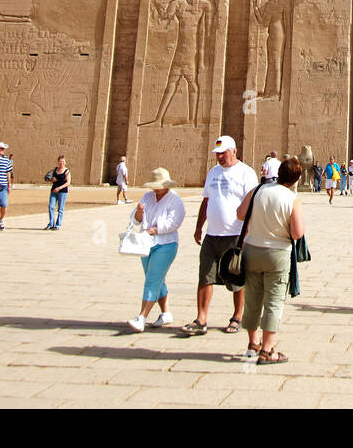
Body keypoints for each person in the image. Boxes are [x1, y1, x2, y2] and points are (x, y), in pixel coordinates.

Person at [186, 135, 258, 336]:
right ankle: (201, 318)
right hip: (212, 234)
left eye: (223, 153)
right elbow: (206, 200)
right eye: (217, 154)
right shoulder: (213, 172)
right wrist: (199, 226)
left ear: (234, 151)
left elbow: (252, 204)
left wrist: (248, 233)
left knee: (236, 278)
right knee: (205, 276)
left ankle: (237, 316)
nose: (219, 157)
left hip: (235, 233)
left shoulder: (246, 173)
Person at [236, 158, 306, 364]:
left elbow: (240, 214)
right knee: (273, 301)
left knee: (252, 299)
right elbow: (296, 234)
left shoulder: (257, 191)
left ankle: (252, 344)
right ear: (296, 179)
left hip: (252, 251)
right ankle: (267, 350)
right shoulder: (291, 198)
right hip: (277, 255)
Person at [129, 169, 185, 332]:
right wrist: (139, 212)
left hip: (166, 244)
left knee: (152, 279)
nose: (156, 189)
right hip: (146, 244)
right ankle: (166, 313)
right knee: (155, 278)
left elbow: (175, 222)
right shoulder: (147, 196)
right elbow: (137, 219)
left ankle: (142, 317)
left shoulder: (175, 200)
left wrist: (155, 229)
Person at [45, 155, 72, 229]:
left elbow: (68, 182)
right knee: (51, 207)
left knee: (60, 209)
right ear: (58, 162)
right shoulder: (55, 170)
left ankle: (58, 225)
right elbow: (50, 179)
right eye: (60, 161)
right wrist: (51, 180)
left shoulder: (67, 171)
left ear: (65, 162)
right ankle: (51, 224)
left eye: (63, 161)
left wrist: (59, 188)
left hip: (62, 192)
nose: (61, 163)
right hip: (54, 191)